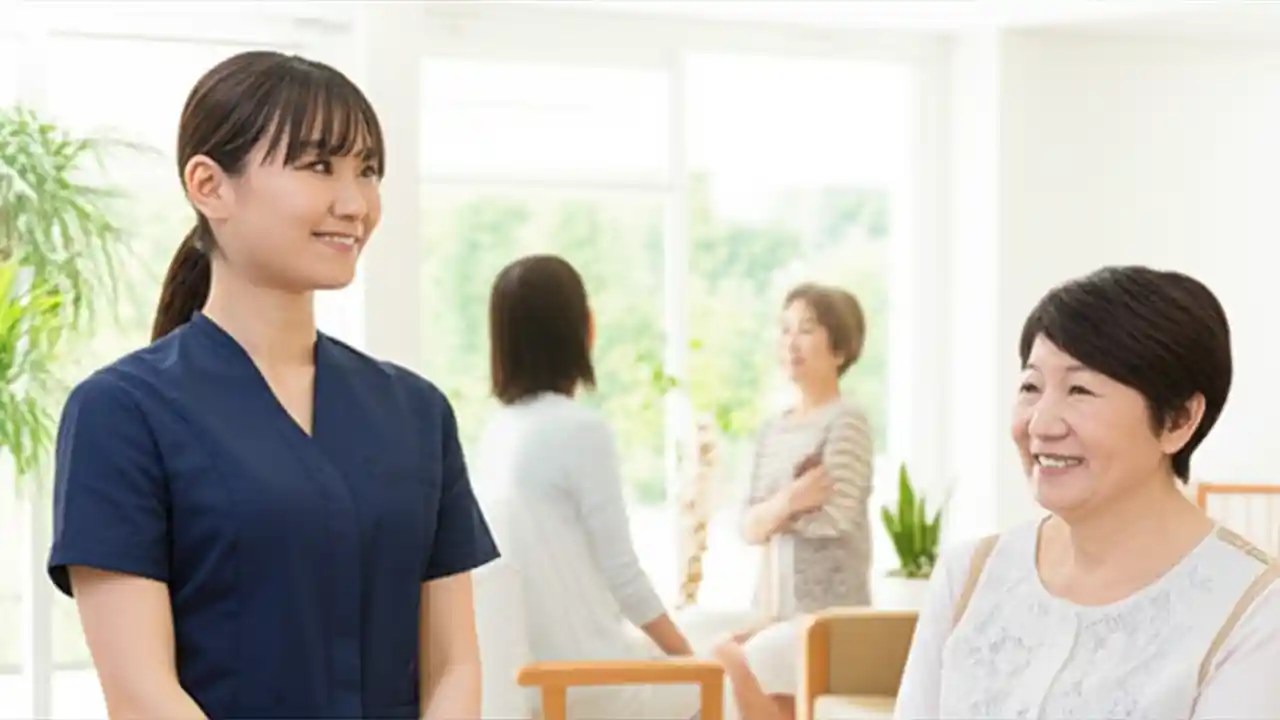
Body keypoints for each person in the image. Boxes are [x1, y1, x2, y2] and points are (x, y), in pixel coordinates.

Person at [46, 51, 498, 719]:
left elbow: (454, 665)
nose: (355, 203)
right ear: (209, 185)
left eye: (368, 171)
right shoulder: (121, 413)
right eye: (319, 166)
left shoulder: (417, 413)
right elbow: (142, 693)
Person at [895, 266, 1280, 718]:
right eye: (1030, 387)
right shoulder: (970, 578)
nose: (1040, 423)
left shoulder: (1254, 613)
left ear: (1178, 420)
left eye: (1079, 390)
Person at [472, 254, 701, 720]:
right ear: (585, 328)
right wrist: (692, 659)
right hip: (590, 684)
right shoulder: (580, 431)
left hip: (524, 686)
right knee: (726, 680)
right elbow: (623, 577)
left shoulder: (495, 434)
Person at [714, 283, 875, 720]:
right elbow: (745, 526)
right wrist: (790, 501)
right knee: (718, 654)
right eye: (784, 329)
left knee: (744, 661)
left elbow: (836, 518)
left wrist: (771, 515)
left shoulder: (848, 421)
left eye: (806, 329)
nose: (791, 342)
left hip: (826, 617)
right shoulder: (772, 429)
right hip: (771, 609)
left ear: (839, 349)